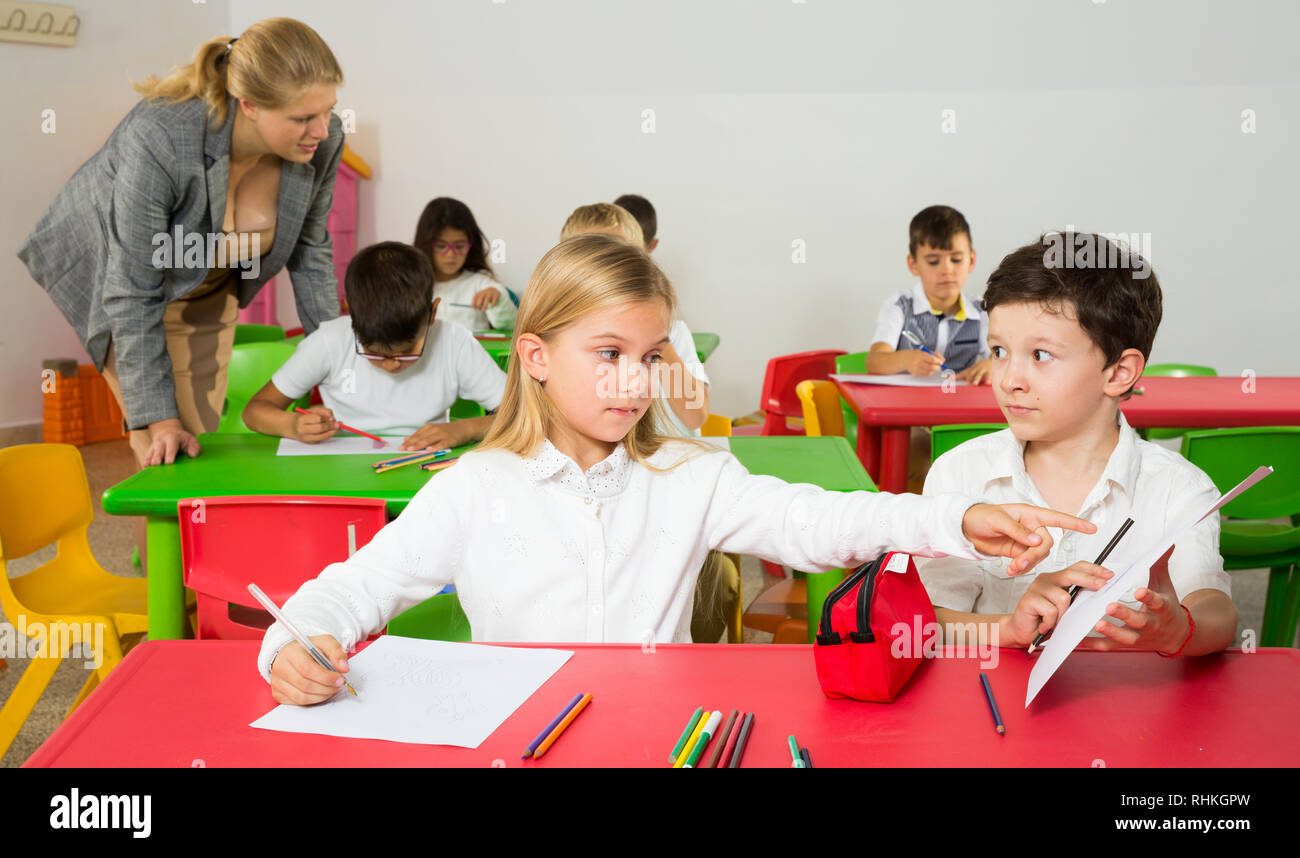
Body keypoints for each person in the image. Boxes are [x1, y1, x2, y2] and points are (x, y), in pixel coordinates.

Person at [259, 234, 1095, 704]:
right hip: (519, 743)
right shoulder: (473, 490)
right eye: (610, 353)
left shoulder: (692, 475)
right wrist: (290, 650)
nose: (636, 380)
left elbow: (825, 521)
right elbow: (344, 592)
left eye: (651, 355)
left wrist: (951, 519)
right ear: (536, 357)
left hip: (660, 741)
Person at [19, 17, 346, 468]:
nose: (323, 130)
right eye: (303, 118)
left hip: (211, 282)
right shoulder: (161, 137)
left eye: (329, 109)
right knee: (168, 447)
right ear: (249, 104)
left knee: (201, 442)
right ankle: (155, 533)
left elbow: (312, 255)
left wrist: (341, 370)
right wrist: (160, 421)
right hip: (125, 278)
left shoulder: (322, 145)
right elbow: (132, 291)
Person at [918, 233, 1237, 655]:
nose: (1009, 379)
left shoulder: (1178, 489)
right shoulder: (960, 473)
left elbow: (1216, 608)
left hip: (1127, 714)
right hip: (988, 706)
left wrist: (1180, 629)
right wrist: (1008, 627)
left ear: (1120, 372)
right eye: (998, 350)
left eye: (1041, 355)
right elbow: (926, 623)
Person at [243, 242, 505, 453]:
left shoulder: (455, 342)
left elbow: (529, 415)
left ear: (431, 314)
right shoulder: (330, 341)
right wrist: (293, 425)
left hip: (424, 475)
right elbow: (255, 411)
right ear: (352, 320)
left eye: (406, 351)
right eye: (374, 353)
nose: (391, 364)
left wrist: (466, 429)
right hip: (341, 477)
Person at [412, 197, 517, 333]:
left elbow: (511, 326)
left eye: (459, 246)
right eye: (441, 246)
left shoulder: (481, 284)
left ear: (471, 246)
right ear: (425, 245)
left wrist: (498, 298)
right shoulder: (412, 287)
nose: (450, 255)